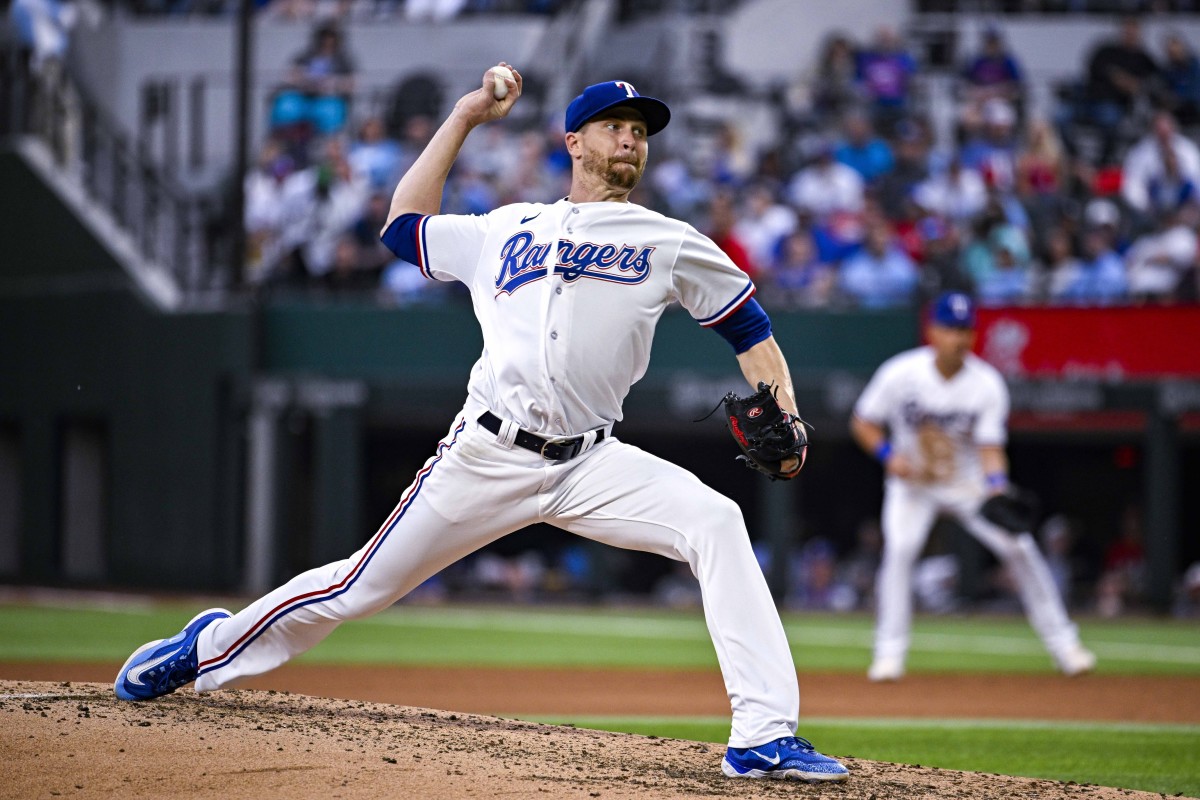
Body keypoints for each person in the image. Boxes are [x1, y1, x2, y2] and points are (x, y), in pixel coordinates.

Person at [112, 67, 849, 784]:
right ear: (574, 142)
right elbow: (402, 228)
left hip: (591, 462)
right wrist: (464, 117)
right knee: (358, 588)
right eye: (614, 127)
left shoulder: (668, 239)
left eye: (639, 131)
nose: (630, 139)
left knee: (716, 521)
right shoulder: (506, 227)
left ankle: (762, 737)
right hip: (487, 453)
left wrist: (786, 413)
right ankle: (208, 646)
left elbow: (750, 329)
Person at [849, 291, 1096, 683]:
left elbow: (991, 448)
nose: (959, 338)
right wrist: (888, 455)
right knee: (901, 550)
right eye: (951, 328)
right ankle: (889, 655)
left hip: (967, 485)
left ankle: (1066, 646)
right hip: (913, 483)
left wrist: (997, 486)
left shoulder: (986, 383)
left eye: (966, 330)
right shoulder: (901, 373)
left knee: (1020, 547)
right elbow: (863, 420)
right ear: (933, 331)